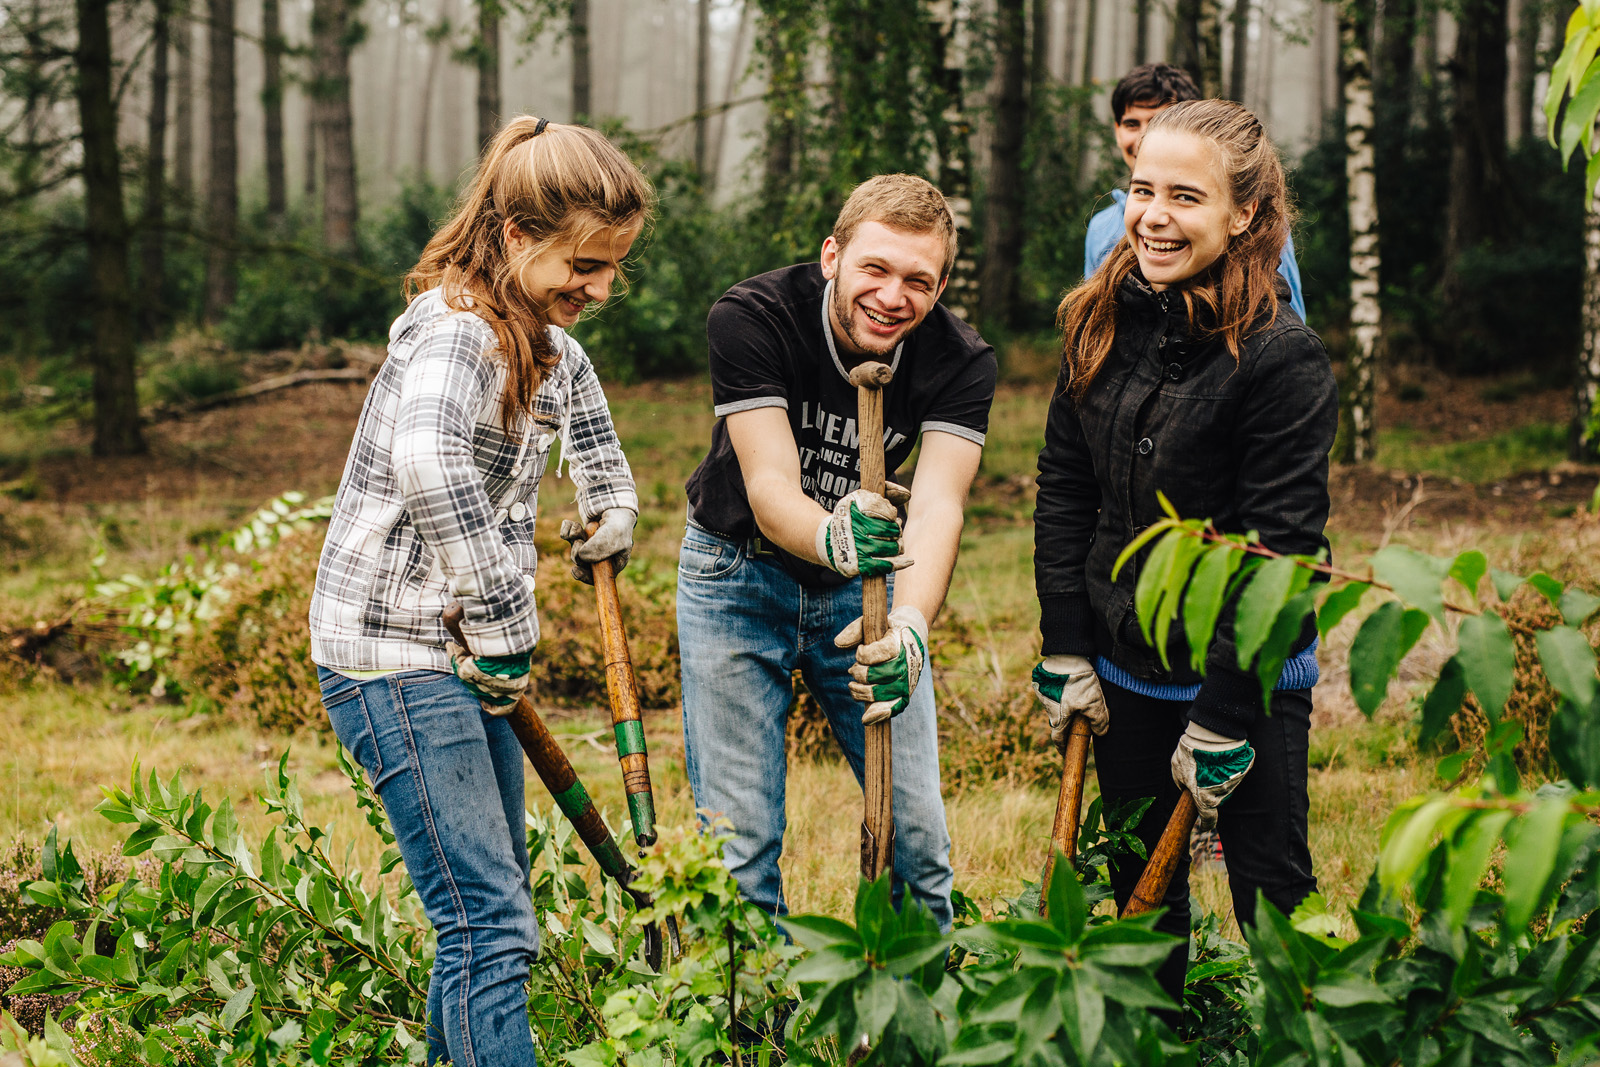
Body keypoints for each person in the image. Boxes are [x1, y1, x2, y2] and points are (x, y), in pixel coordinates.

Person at [308, 117, 652, 1065]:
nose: (600, 287)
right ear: (513, 237)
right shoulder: (459, 337)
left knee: (487, 911)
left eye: (613, 266)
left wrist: (610, 506)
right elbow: (427, 459)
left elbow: (588, 429)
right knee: (490, 926)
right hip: (393, 654)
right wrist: (505, 617)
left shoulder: (544, 340)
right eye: (583, 264)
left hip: (455, 655)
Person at [1032, 99, 1335, 1004]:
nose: (1153, 215)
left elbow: (1280, 552)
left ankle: (1316, 1039)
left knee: (1274, 898)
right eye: (1140, 190)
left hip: (1243, 679)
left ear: (1243, 214)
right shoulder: (1098, 321)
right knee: (1138, 908)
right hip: (1122, 672)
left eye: (1184, 197)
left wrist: (1227, 712)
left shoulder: (1282, 358)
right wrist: (1065, 642)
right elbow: (1065, 486)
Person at [679, 175, 997, 932]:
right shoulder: (752, 316)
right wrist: (831, 534)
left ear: (942, 284)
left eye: (918, 280)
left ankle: (914, 1029)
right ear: (833, 255)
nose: (893, 296)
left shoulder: (962, 361)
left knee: (918, 842)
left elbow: (941, 503)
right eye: (876, 270)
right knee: (737, 845)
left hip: (867, 600)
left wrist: (913, 628)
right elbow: (768, 485)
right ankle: (747, 1037)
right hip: (737, 575)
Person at [1083, 63, 1307, 322]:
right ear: (1117, 130)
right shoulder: (1101, 228)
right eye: (1132, 124)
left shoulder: (1259, 227)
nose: (1145, 137)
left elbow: (1286, 317)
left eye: (1158, 120)